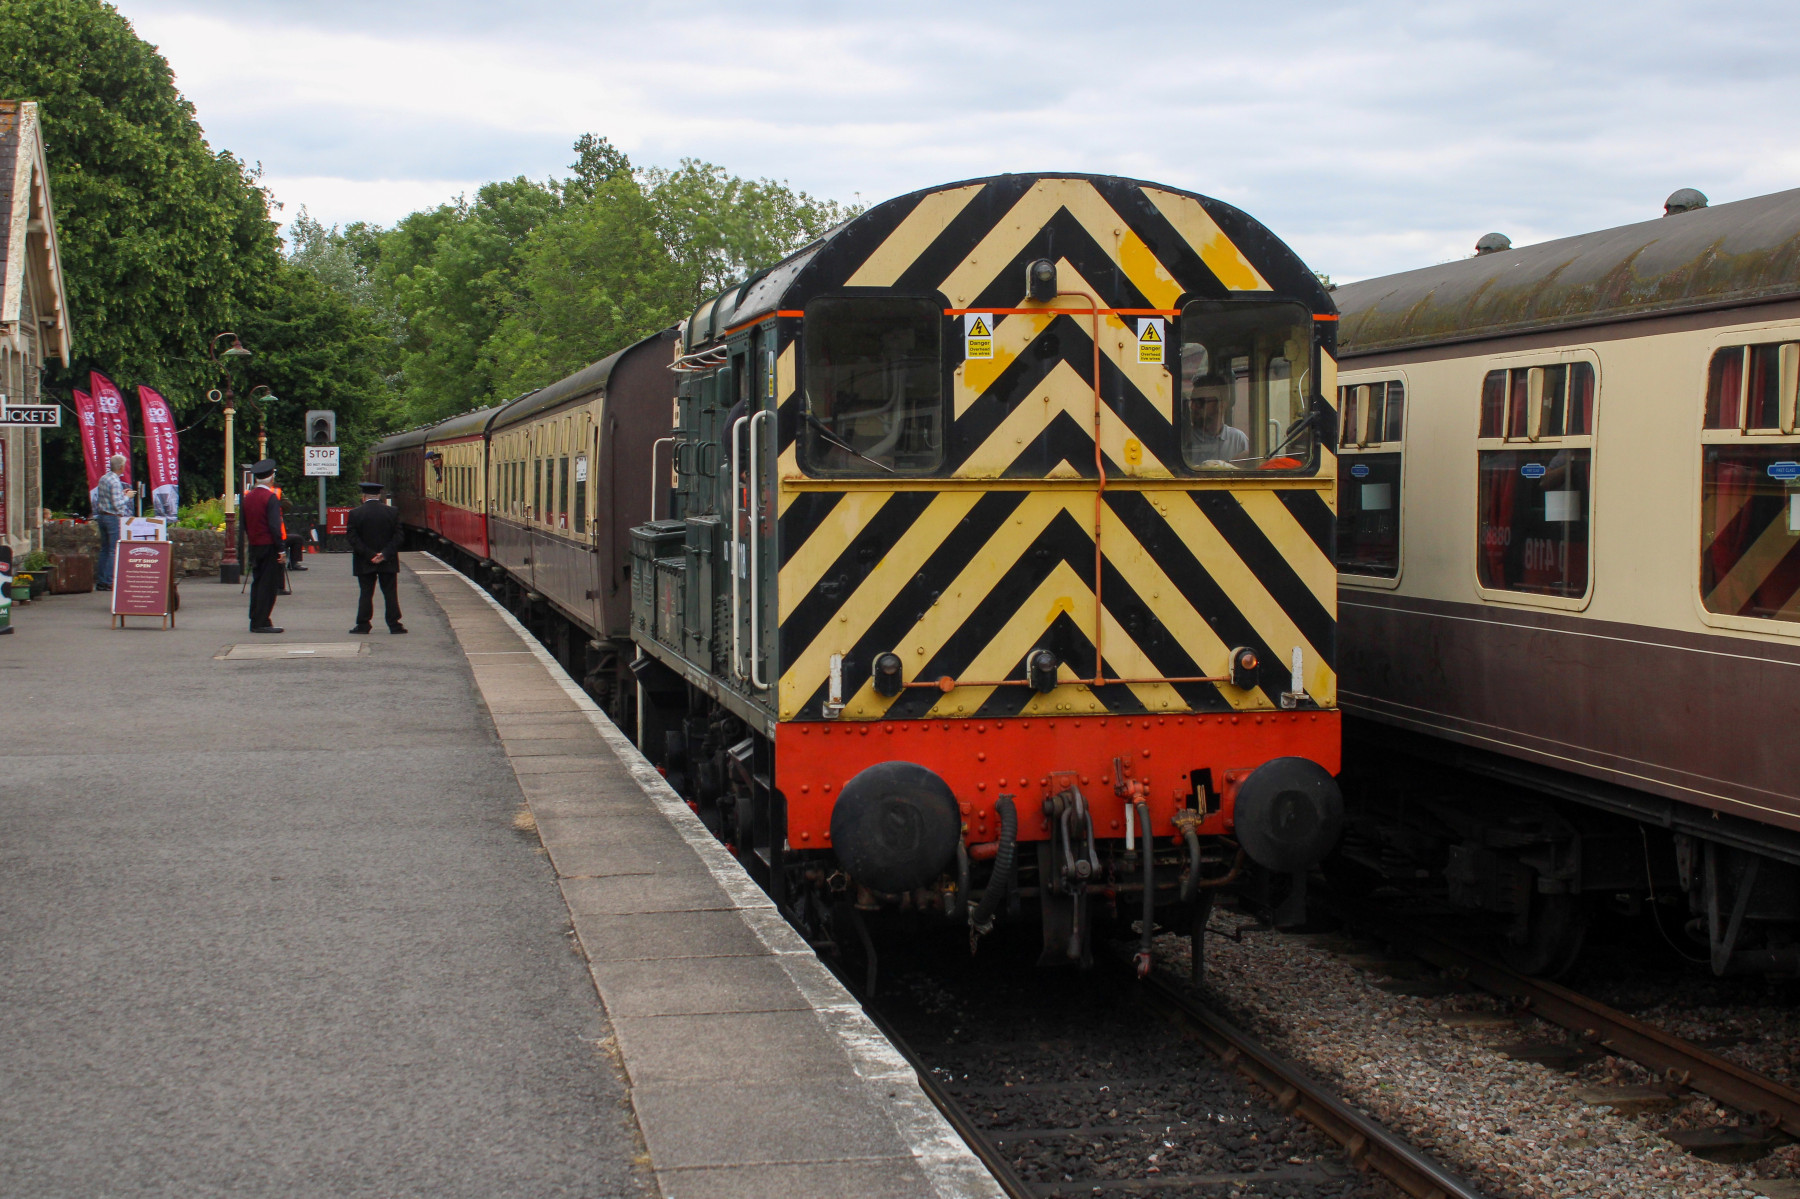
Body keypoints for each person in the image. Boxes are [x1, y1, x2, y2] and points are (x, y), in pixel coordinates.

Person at [346, 480, 405, 634]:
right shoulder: (392, 512)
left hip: (364, 560)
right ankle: (394, 625)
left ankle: (363, 624)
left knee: (366, 593)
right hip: (388, 560)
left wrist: (370, 555)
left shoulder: (355, 513)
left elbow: (353, 538)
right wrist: (384, 554)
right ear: (379, 495)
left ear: (363, 496)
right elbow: (399, 537)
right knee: (390, 592)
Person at [239, 459, 285, 633]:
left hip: (255, 545)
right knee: (268, 584)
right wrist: (280, 548)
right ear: (271, 477)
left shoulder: (248, 497)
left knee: (258, 583)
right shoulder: (270, 498)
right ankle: (261, 620)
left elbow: (243, 523)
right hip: (268, 545)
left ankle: (256, 617)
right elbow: (275, 526)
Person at [1183, 373, 1251, 467]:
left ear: (1221, 405)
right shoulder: (1183, 439)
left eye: (1201, 402)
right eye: (1192, 401)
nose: (1193, 407)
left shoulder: (1238, 440)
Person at [92, 453, 133, 591]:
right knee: (113, 550)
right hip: (112, 517)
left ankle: (101, 580)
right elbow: (117, 504)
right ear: (121, 467)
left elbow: (107, 498)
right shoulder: (115, 482)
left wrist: (122, 494)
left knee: (104, 549)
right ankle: (108, 581)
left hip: (102, 516)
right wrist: (127, 497)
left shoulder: (104, 478)